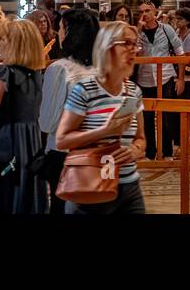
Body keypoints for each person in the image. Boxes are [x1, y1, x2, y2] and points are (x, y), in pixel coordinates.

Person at [55, 22, 147, 214]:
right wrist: (104, 131)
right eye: (127, 43)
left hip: (129, 186)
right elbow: (62, 140)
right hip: (92, 186)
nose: (134, 50)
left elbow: (140, 138)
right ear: (107, 47)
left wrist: (135, 150)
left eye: (135, 44)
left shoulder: (133, 91)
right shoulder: (85, 90)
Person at [0, 19, 49, 213]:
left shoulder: (3, 73)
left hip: (4, 141)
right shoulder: (38, 75)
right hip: (31, 143)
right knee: (25, 197)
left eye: (3, 39)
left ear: (15, 43)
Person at [39, 7, 99, 214]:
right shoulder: (104, 68)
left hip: (64, 152)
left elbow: (48, 121)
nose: (59, 33)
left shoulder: (59, 69)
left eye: (62, 28)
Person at [135, 1, 184, 159]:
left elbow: (179, 52)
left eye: (148, 10)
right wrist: (138, 30)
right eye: (141, 11)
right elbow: (131, 51)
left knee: (166, 116)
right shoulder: (137, 32)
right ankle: (150, 152)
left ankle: (167, 151)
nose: (145, 14)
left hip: (165, 77)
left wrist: (181, 78)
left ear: (154, 11)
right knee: (147, 117)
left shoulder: (166, 29)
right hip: (144, 78)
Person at [172, 8, 190, 149]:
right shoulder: (176, 34)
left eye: (180, 19)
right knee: (177, 111)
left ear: (188, 21)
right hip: (178, 76)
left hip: (189, 78)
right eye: (176, 19)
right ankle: (180, 141)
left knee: (188, 110)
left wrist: (182, 74)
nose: (177, 21)